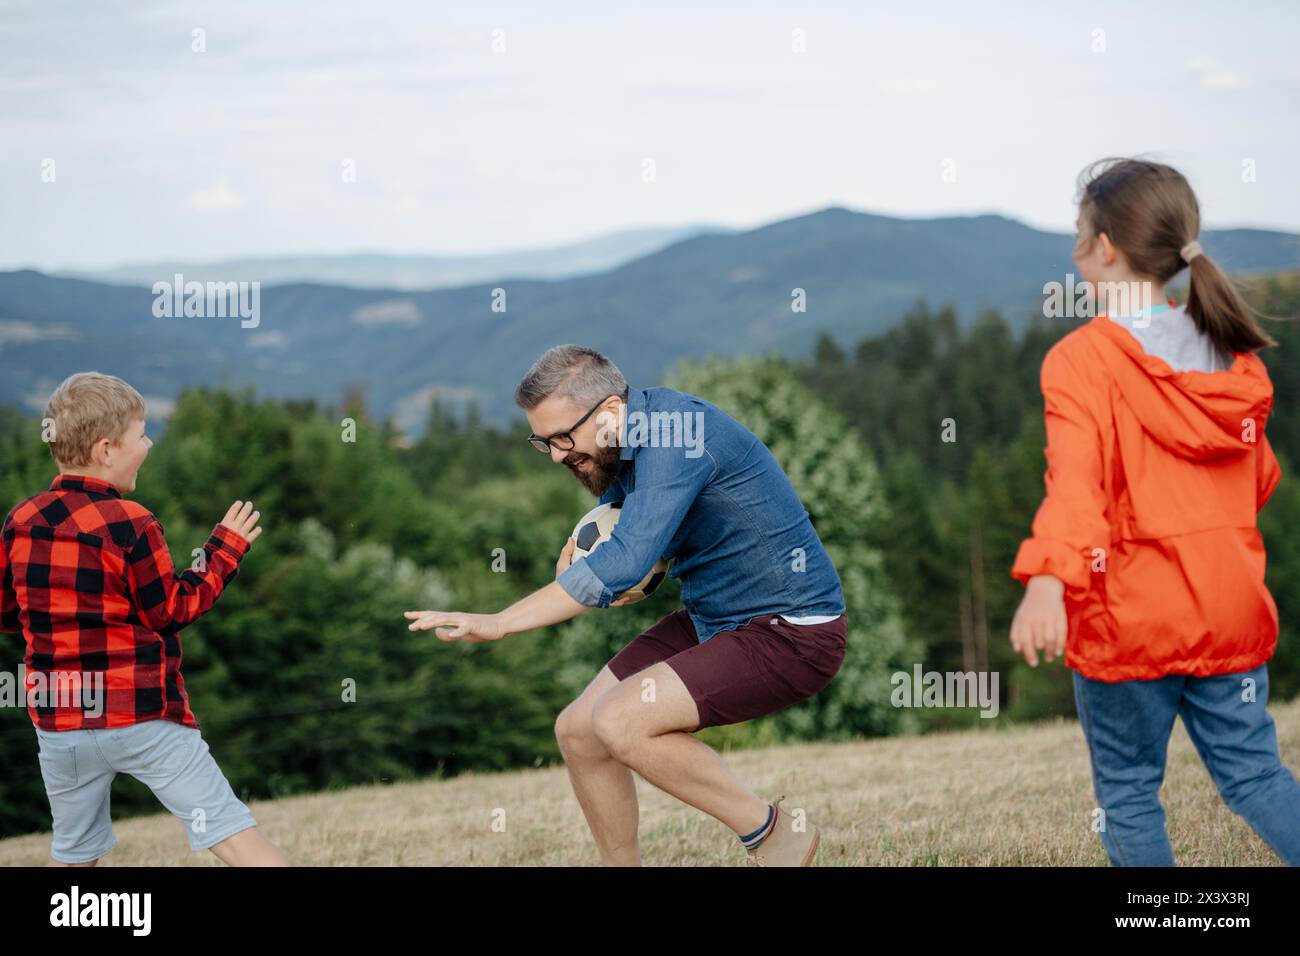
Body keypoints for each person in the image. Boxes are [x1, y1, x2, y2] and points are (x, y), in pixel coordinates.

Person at [405, 345, 847, 866]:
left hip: (792, 632)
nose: (554, 455)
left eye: (563, 438)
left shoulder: (674, 434)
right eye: (541, 442)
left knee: (619, 721)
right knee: (579, 730)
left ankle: (773, 835)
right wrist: (589, 565)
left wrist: (501, 622)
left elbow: (626, 560)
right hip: (716, 620)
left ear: (611, 412)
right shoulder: (624, 445)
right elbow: (621, 554)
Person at [1010, 158, 1300, 866]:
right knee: (1258, 776)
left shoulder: (1081, 362)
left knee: (1130, 794)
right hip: (1229, 607)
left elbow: (1076, 490)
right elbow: (1259, 478)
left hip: (1131, 621)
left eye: (1080, 232)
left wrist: (1048, 580)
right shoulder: (1233, 357)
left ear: (1104, 247)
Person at [0, 371, 288, 866]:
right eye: (142, 433)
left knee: (73, 854)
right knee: (229, 831)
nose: (150, 443)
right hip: (142, 717)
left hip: (60, 723)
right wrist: (223, 551)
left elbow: (9, 613)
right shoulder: (133, 523)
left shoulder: (20, 520)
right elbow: (171, 611)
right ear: (106, 450)